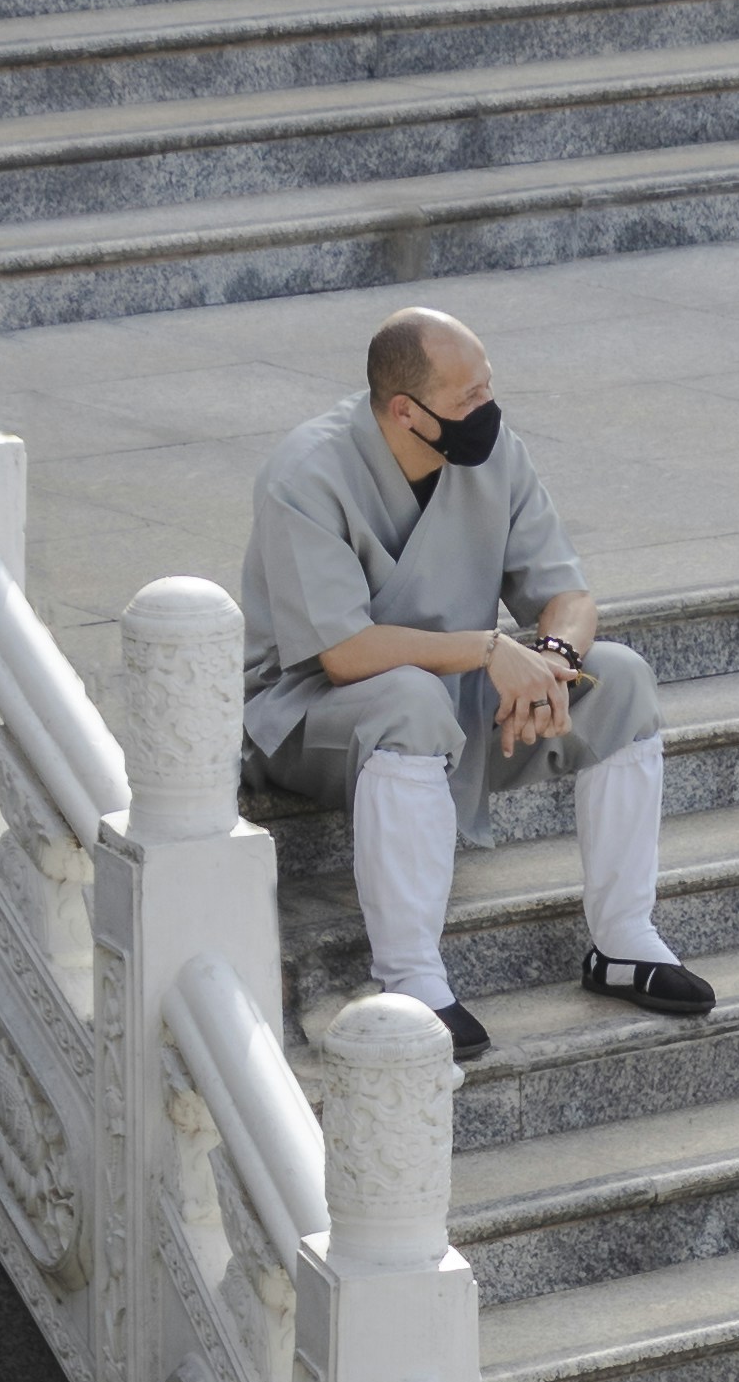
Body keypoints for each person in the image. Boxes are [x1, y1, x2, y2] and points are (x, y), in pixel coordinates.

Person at [240, 306, 715, 1057]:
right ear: (406, 411)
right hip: (309, 717)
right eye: (467, 401)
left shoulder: (495, 456)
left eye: (487, 390)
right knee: (408, 696)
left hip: (450, 698)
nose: (485, 412)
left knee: (617, 677)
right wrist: (494, 650)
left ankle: (623, 941)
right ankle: (411, 978)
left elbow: (570, 597)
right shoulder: (307, 475)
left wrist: (553, 660)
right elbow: (344, 653)